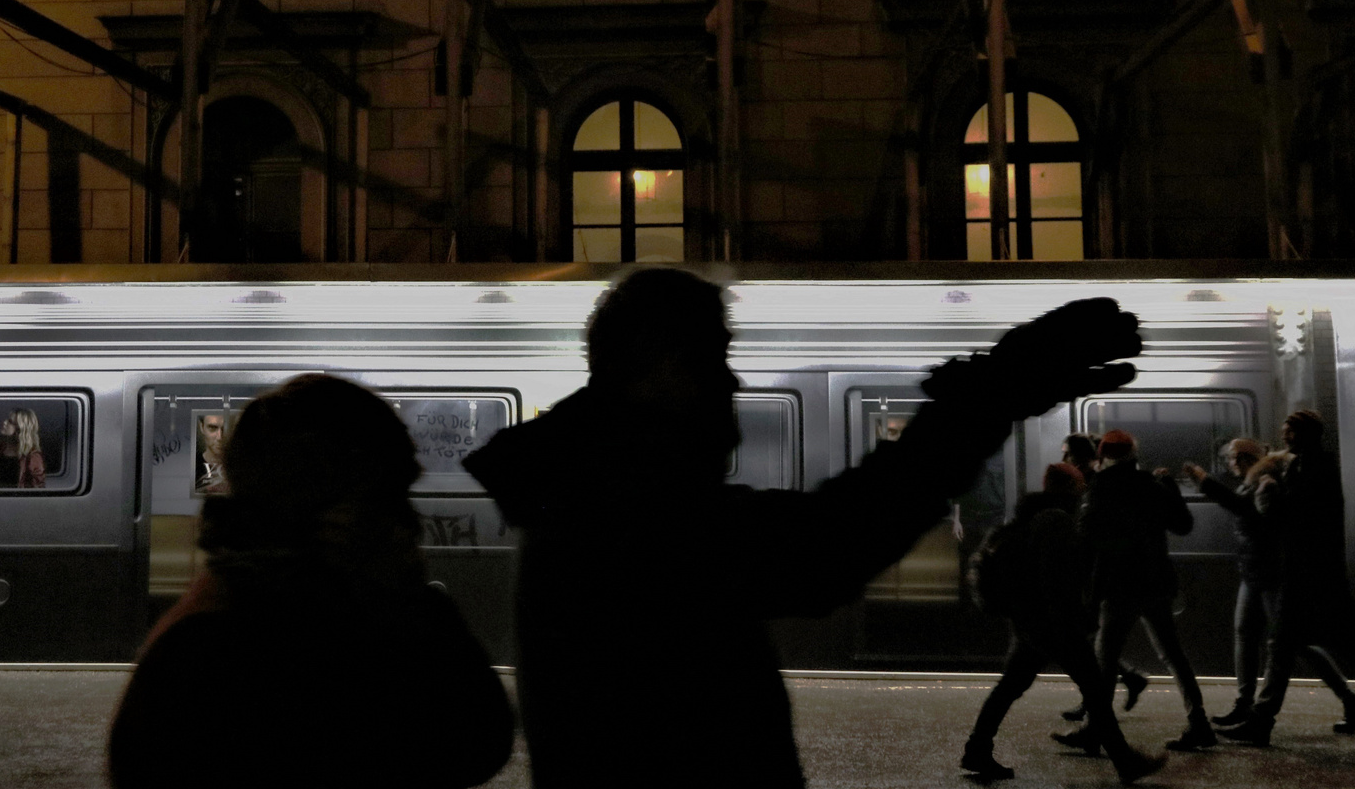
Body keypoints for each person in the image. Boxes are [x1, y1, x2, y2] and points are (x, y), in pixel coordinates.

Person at [463, 268, 1141, 788]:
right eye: (716, 358)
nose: (734, 381)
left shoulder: (591, 497)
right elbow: (825, 545)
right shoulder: (611, 515)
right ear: (661, 368)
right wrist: (987, 397)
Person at [108, 374, 513, 788]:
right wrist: (409, 604)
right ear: (319, 498)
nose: (405, 520)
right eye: (384, 495)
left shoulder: (229, 607)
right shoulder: (227, 645)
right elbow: (473, 741)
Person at [963, 462, 1166, 784]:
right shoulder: (1055, 520)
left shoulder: (1030, 516)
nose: (1083, 491)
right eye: (1079, 485)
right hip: (1054, 624)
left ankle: (977, 748)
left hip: (1031, 622)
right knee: (1096, 690)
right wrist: (1072, 620)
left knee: (1010, 688)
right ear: (1070, 487)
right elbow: (1055, 578)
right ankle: (1125, 761)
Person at [1220, 411, 1355, 751]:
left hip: (1316, 577)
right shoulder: (1303, 466)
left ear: (1308, 434)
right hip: (1308, 574)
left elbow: (1299, 517)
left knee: (1338, 649)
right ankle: (1262, 722)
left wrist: (1272, 496)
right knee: (1290, 647)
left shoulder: (1316, 469)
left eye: (1291, 431)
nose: (1285, 436)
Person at [1184, 439, 1355, 731]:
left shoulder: (1264, 475)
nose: (1231, 463)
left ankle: (1347, 700)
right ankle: (1247, 703)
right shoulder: (1255, 476)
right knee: (1258, 636)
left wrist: (1206, 483)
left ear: (1247, 457)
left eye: (1235, 457)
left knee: (1283, 641)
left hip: (1271, 571)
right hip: (1255, 569)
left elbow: (1245, 509)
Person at [1067, 430, 1214, 753]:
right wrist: (1171, 489)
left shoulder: (1100, 487)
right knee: (1173, 654)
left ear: (1103, 457)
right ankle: (1199, 722)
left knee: (1104, 660)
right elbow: (1183, 526)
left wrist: (1086, 589)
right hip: (1154, 581)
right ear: (1133, 456)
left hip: (1118, 584)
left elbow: (1086, 537)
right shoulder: (1152, 485)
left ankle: (1094, 729)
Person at [1058, 432, 1148, 722]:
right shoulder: (1094, 479)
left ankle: (1094, 711)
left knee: (1086, 640)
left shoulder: (1090, 482)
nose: (1063, 459)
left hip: (1091, 570)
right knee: (1092, 642)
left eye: (1067, 454)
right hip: (1094, 570)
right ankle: (1122, 682)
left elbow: (1087, 531)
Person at [0, 408, 47, 489]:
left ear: (20, 428)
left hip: (17, 499)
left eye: (10, 422)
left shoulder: (32, 456)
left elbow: (38, 487)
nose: (4, 423)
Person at [194, 412, 227, 494]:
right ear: (202, 427)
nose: (219, 437)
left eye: (226, 429)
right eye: (212, 428)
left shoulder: (243, 468)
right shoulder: (192, 467)